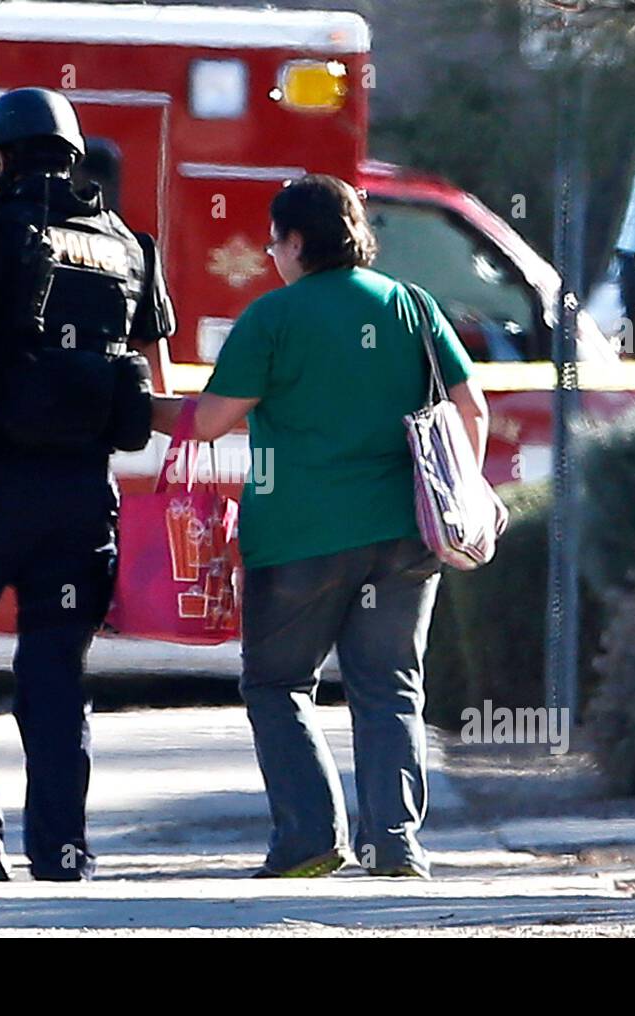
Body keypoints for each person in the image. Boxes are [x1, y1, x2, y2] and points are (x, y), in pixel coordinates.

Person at [153, 174, 488, 878]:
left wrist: (133, 403)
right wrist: (458, 493)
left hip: (298, 536)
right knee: (390, 684)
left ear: (296, 241)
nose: (272, 255)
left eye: (275, 242)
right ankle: (394, 843)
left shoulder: (273, 318)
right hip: (405, 535)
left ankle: (310, 837)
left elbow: (210, 422)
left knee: (278, 683)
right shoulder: (412, 305)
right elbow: (472, 408)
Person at [0, 87, 175, 883]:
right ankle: (64, 853)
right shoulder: (127, 244)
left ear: (1, 157)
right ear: (76, 156)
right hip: (82, 500)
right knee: (56, 672)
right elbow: (154, 376)